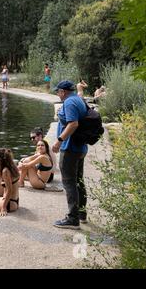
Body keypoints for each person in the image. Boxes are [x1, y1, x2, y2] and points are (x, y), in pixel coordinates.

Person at [52, 80, 88, 229]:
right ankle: (81, 213)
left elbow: (73, 124)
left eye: (58, 92)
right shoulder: (78, 99)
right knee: (78, 180)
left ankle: (73, 219)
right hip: (80, 148)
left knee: (69, 182)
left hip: (70, 149)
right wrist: (81, 88)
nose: (57, 94)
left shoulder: (69, 103)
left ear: (63, 92)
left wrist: (59, 141)